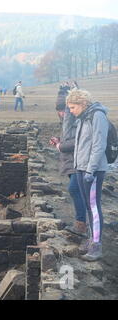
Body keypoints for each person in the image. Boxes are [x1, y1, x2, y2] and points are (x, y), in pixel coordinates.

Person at [67, 89, 110, 262]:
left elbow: (99, 145)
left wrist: (91, 170)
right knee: (87, 205)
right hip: (81, 168)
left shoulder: (97, 116)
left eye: (72, 107)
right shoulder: (83, 117)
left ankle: (96, 245)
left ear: (82, 103)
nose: (71, 111)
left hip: (92, 170)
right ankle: (91, 238)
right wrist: (78, 167)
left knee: (93, 207)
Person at [49, 86, 87, 237]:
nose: (62, 112)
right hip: (73, 162)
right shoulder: (68, 121)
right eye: (60, 109)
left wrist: (60, 146)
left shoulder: (76, 120)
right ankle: (82, 223)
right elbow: (70, 138)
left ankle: (81, 224)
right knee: (78, 191)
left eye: (64, 108)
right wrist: (59, 140)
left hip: (79, 161)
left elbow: (78, 141)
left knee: (75, 189)